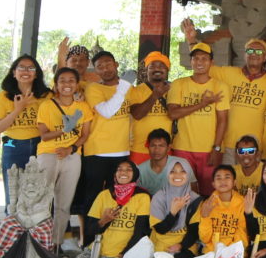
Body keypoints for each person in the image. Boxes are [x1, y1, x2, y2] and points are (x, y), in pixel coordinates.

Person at [180, 22, 266, 156]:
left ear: (265, 57)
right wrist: (191, 40)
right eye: (250, 51)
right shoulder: (229, 73)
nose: (254, 54)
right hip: (227, 145)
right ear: (244, 55)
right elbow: (202, 64)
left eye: (259, 51)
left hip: (254, 146)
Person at [35, 66, 94, 242]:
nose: (67, 84)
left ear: (77, 84)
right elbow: (44, 136)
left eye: (71, 81)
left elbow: (84, 135)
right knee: (42, 200)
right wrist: (63, 130)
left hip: (72, 156)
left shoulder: (83, 107)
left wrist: (70, 149)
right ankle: (39, 241)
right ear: (56, 84)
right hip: (48, 154)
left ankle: (56, 244)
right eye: (62, 81)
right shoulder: (46, 106)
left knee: (64, 204)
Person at [166, 42, 230, 193]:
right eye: (195, 58)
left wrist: (216, 148)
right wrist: (202, 104)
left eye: (204, 58)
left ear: (211, 62)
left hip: (209, 149)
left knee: (210, 192)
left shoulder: (220, 86)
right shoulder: (179, 84)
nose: (199, 62)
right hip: (183, 147)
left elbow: (223, 120)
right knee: (182, 191)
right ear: (191, 61)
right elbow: (173, 114)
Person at [0, 54, 49, 208]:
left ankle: (36, 224)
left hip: (40, 145)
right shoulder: (3, 97)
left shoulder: (46, 96)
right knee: (13, 191)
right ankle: (13, 222)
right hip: (12, 144)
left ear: (36, 74)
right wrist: (18, 109)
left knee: (39, 191)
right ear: (13, 72)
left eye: (31, 68)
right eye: (21, 67)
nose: (26, 71)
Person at [80, 51, 132, 224]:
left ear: (116, 64)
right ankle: (89, 236)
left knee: (116, 197)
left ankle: (109, 235)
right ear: (95, 71)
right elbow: (107, 112)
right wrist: (123, 87)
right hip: (97, 151)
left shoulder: (128, 88)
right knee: (92, 197)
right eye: (99, 66)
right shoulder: (93, 88)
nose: (105, 69)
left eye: (108, 64)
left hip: (122, 150)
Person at [84, 159, 151, 258]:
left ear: (135, 174)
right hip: (95, 251)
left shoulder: (142, 197)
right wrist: (103, 221)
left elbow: (140, 233)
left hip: (124, 256)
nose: (123, 172)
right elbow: (89, 232)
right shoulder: (104, 195)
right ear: (115, 174)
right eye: (119, 169)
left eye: (128, 169)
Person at [127, 51, 172, 165]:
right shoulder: (136, 90)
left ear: (167, 70)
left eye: (162, 66)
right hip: (139, 149)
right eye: (152, 66)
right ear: (146, 70)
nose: (157, 69)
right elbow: (137, 115)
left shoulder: (174, 90)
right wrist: (155, 96)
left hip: (165, 150)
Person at [148, 161, 200, 258]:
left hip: (186, 247)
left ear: (188, 174)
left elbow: (194, 231)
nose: (177, 175)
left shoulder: (195, 199)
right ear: (167, 174)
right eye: (172, 171)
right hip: (162, 245)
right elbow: (160, 229)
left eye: (182, 171)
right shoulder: (159, 197)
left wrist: (181, 246)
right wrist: (173, 213)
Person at [201, 164, 256, 252]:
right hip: (212, 253)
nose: (223, 181)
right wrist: (205, 217)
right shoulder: (207, 204)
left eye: (227, 177)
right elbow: (205, 238)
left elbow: (243, 233)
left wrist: (230, 251)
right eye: (218, 178)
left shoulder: (243, 203)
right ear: (213, 184)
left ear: (234, 182)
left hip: (235, 252)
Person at [135, 128, 192, 195]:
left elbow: (193, 190)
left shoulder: (182, 164)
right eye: (153, 146)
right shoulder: (140, 170)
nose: (156, 150)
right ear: (148, 147)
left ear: (168, 148)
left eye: (161, 146)